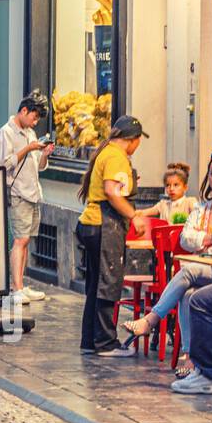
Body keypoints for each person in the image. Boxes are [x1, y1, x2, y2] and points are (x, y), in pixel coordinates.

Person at [121, 151, 212, 377]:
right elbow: (185, 238)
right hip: (208, 271)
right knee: (188, 294)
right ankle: (191, 357)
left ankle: (151, 320)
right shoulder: (202, 208)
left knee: (188, 271)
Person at [76, 115, 148, 356]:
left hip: (91, 223)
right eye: (139, 141)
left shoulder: (106, 153)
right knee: (108, 283)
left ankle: (90, 341)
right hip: (103, 226)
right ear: (132, 139)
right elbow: (112, 192)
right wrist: (134, 215)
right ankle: (105, 342)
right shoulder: (117, 157)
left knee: (96, 284)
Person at [0, 91, 54, 303]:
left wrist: (44, 154)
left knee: (26, 240)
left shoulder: (30, 133)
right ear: (24, 110)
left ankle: (20, 284)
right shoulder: (6, 133)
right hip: (17, 193)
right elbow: (3, 164)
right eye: (34, 117)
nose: (35, 122)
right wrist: (28, 148)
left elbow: (39, 166)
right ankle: (16, 288)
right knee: (19, 240)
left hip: (33, 193)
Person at [135, 163, 198, 229]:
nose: (171, 189)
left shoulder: (190, 202)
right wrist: (132, 214)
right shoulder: (163, 205)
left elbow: (199, 216)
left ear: (185, 187)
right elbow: (143, 212)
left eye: (176, 185)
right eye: (168, 185)